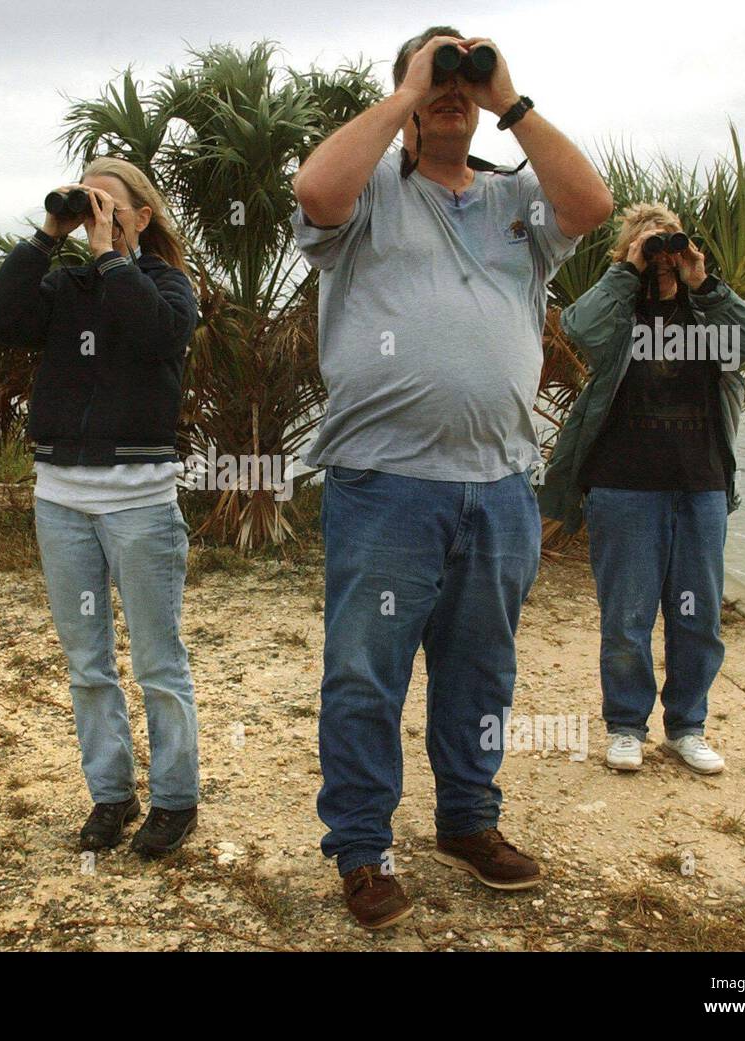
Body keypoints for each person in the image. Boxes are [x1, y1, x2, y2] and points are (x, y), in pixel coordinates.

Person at [290, 26, 613, 929]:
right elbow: (315, 187)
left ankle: (469, 822)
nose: (450, 91)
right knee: (365, 674)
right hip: (386, 482)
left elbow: (593, 206)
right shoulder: (369, 197)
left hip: (502, 484)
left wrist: (507, 98)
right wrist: (410, 93)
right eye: (435, 77)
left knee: (481, 673)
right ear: (398, 92)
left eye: (460, 79)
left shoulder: (519, 199)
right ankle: (361, 847)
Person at [0, 157, 201, 858]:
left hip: (139, 501)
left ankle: (174, 798)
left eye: (109, 204)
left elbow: (156, 335)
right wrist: (49, 232)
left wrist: (110, 257)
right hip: (62, 501)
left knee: (159, 662)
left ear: (142, 216)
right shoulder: (63, 288)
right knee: (87, 663)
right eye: (87, 202)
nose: (95, 216)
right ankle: (110, 793)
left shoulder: (168, 287)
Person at [539, 203, 745, 775]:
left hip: (702, 485)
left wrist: (702, 279)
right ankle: (625, 726)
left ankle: (687, 727)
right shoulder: (619, 313)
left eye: (669, 241)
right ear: (629, 252)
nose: (662, 251)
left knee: (698, 618)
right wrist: (628, 268)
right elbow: (579, 328)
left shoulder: (707, 311)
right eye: (649, 243)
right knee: (627, 615)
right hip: (624, 485)